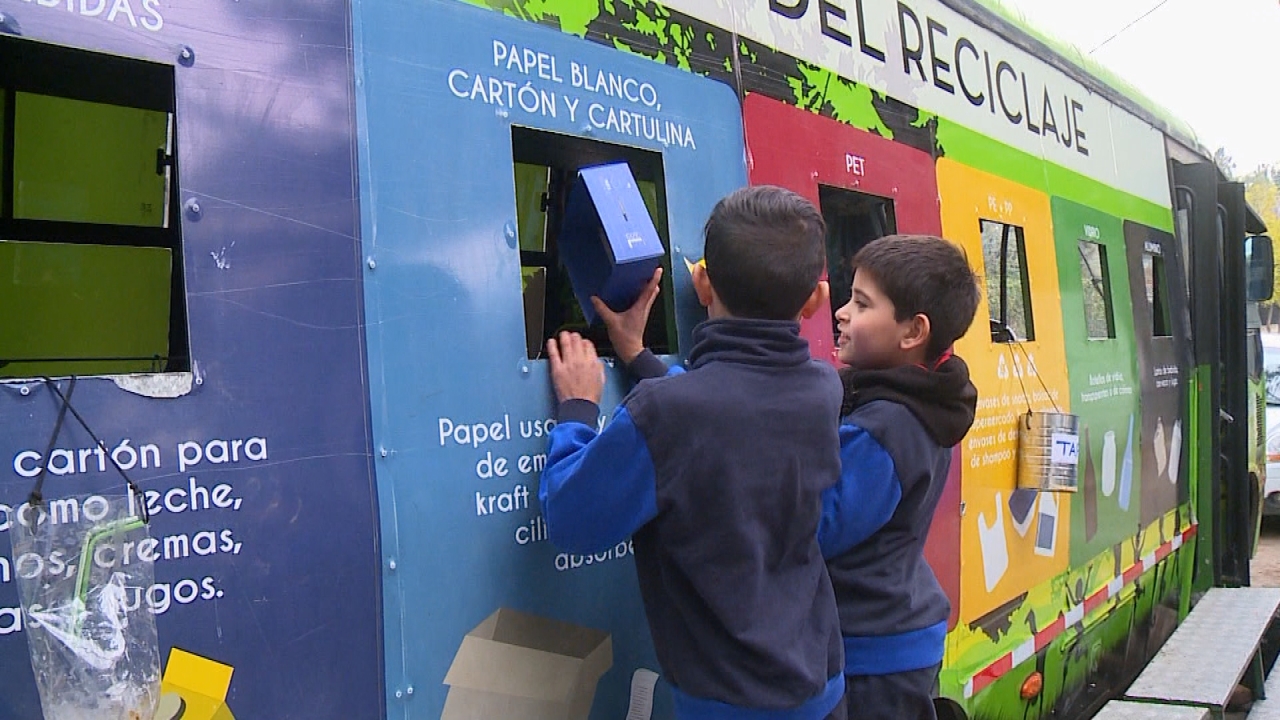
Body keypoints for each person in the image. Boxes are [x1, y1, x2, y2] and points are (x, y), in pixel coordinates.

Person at [540, 186, 847, 719]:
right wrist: (637, 357)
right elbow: (728, 409)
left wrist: (576, 412)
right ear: (814, 301)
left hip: (729, 704)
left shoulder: (671, 412)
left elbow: (572, 519)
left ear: (702, 282)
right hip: (822, 686)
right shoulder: (823, 387)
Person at [818, 234, 980, 720]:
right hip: (894, 631)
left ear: (913, 333)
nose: (841, 313)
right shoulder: (919, 400)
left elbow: (818, 527)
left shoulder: (884, 429)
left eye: (861, 304)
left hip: (873, 650)